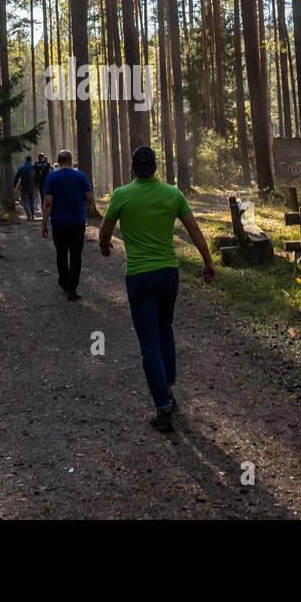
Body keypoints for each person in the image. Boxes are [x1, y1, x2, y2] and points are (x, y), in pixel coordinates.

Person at [98, 145, 215, 433]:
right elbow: (194, 230)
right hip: (167, 273)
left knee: (149, 341)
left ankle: (163, 408)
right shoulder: (173, 194)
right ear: (155, 167)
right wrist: (208, 262)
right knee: (165, 329)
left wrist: (104, 247)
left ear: (132, 168)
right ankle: (170, 390)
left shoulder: (122, 195)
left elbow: (105, 228)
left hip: (139, 276)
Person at [41, 150, 95, 301]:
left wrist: (44, 223)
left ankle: (64, 283)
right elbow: (90, 197)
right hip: (77, 223)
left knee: (61, 254)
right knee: (76, 255)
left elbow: (48, 202)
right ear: (71, 161)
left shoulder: (52, 177)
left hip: (58, 223)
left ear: (58, 162)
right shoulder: (80, 176)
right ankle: (72, 288)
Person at [12, 154, 37, 220]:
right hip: (32, 187)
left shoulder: (21, 168)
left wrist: (14, 185)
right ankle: (33, 215)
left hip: (24, 187)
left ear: (25, 160)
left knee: (25, 201)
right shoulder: (34, 167)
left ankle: (29, 215)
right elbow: (37, 177)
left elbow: (17, 177)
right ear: (31, 160)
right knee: (32, 202)